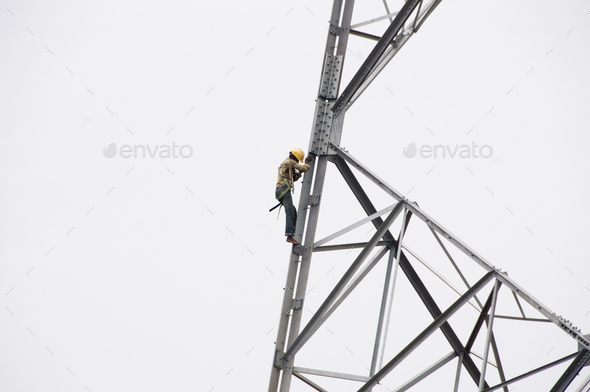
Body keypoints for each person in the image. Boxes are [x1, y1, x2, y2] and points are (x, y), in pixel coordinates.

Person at [275, 148, 312, 245]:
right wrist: (306, 162)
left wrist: (299, 173)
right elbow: (305, 168)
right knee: (290, 212)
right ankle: (289, 235)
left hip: (280, 191)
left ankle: (294, 230)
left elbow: (293, 178)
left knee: (293, 211)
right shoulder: (290, 162)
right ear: (294, 157)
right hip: (284, 190)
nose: (296, 162)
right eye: (297, 160)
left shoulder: (286, 163)